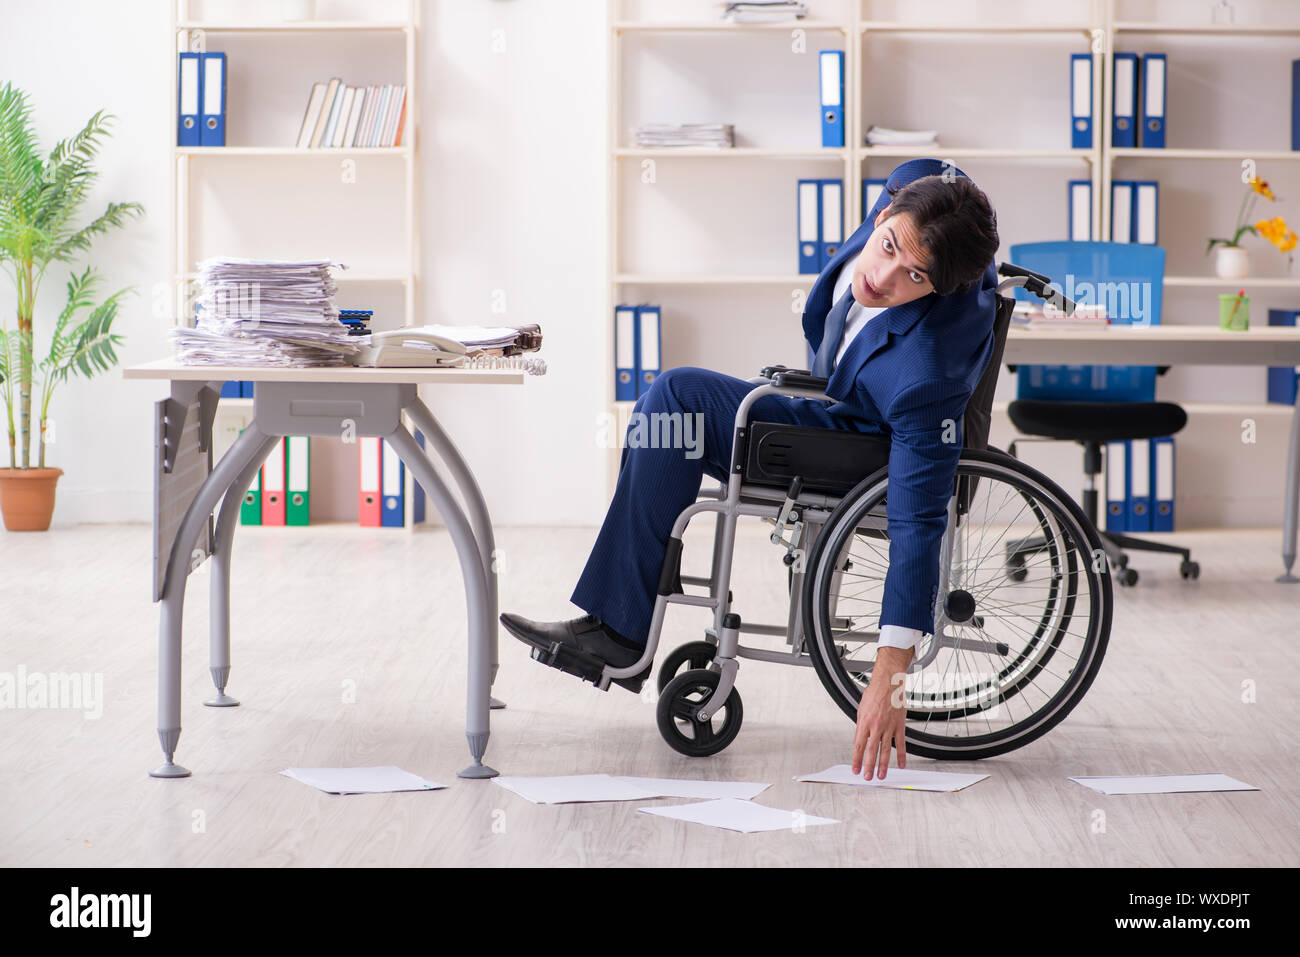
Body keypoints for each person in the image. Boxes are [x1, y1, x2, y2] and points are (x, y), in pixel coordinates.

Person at [501, 158, 1000, 781]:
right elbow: (935, 184)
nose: (882, 275)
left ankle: (620, 630)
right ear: (886, 211)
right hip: (831, 390)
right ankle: (625, 611)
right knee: (667, 416)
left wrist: (892, 668)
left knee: (677, 398)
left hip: (857, 444)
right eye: (888, 246)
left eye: (914, 275)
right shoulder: (920, 186)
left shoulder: (927, 372)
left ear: (939, 287)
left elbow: (920, 516)